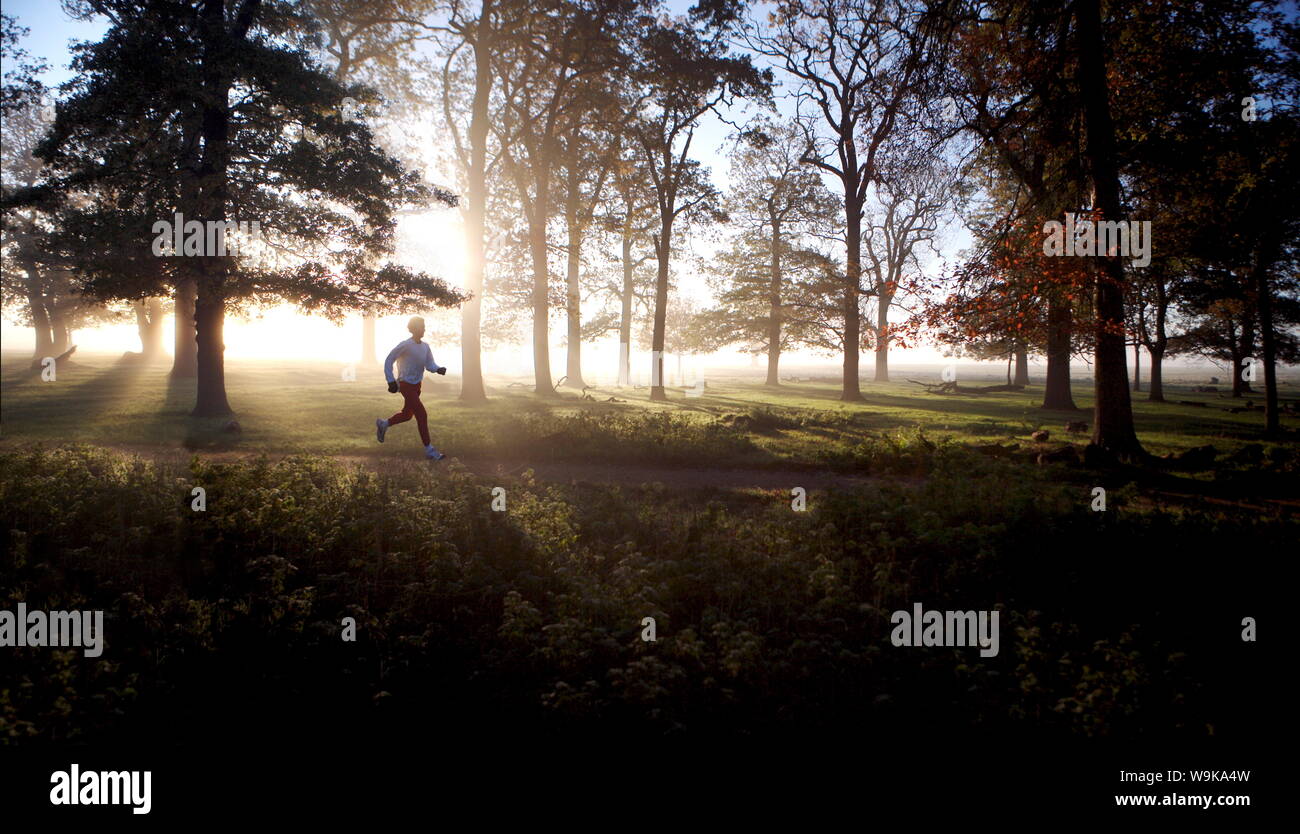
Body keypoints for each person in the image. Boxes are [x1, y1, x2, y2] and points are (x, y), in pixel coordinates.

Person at [375, 316, 448, 459]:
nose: (424, 329)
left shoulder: (425, 346)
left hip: (416, 385)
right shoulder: (405, 345)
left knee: (407, 415)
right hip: (405, 384)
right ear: (413, 328)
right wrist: (390, 380)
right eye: (421, 326)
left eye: (424, 326)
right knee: (422, 414)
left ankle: (383, 424)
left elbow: (429, 364)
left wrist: (438, 369)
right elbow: (389, 359)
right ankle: (430, 451)